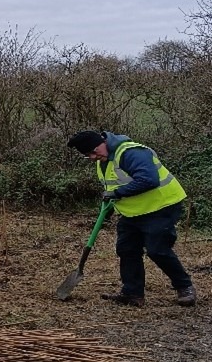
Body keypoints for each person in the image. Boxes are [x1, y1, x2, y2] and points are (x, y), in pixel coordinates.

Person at [67, 130, 197, 308]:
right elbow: (113, 187)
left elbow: (149, 179)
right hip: (133, 211)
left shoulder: (130, 152)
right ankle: (132, 293)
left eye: (93, 152)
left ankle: (185, 287)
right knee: (126, 248)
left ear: (102, 142)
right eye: (88, 155)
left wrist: (117, 193)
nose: (92, 157)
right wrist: (109, 207)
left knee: (157, 249)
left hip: (162, 206)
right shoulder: (103, 161)